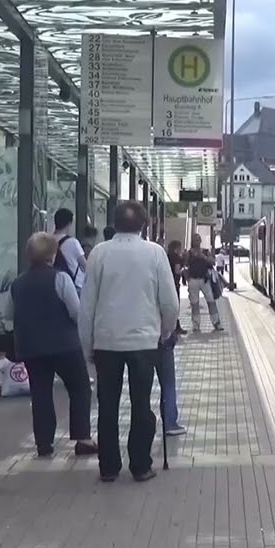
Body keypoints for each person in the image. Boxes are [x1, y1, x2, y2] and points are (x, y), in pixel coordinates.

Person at [79, 201, 180, 482]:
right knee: (141, 405)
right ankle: (140, 465)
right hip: (144, 342)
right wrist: (165, 332)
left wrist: (87, 345)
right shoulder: (155, 253)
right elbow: (170, 303)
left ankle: (109, 467)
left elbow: (87, 305)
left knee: (108, 405)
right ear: (144, 224)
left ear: (114, 223)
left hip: (107, 341)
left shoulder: (99, 253)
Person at [4, 232, 95, 458]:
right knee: (80, 387)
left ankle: (44, 444)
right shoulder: (60, 278)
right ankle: (82, 438)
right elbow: (76, 312)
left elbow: (8, 317)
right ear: (52, 255)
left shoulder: (17, 284)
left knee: (41, 394)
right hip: (64, 345)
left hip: (32, 348)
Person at [185, 236, 222, 332]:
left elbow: (213, 262)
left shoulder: (205, 251)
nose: (196, 242)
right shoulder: (189, 253)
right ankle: (196, 325)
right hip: (193, 279)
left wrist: (203, 257)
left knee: (211, 301)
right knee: (194, 303)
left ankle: (216, 323)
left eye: (198, 240)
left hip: (204, 280)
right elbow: (185, 265)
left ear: (200, 241)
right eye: (195, 240)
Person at [51, 208, 86, 292]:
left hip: (54, 283)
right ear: (69, 223)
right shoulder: (73, 242)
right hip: (73, 284)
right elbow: (85, 265)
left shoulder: (48, 240)